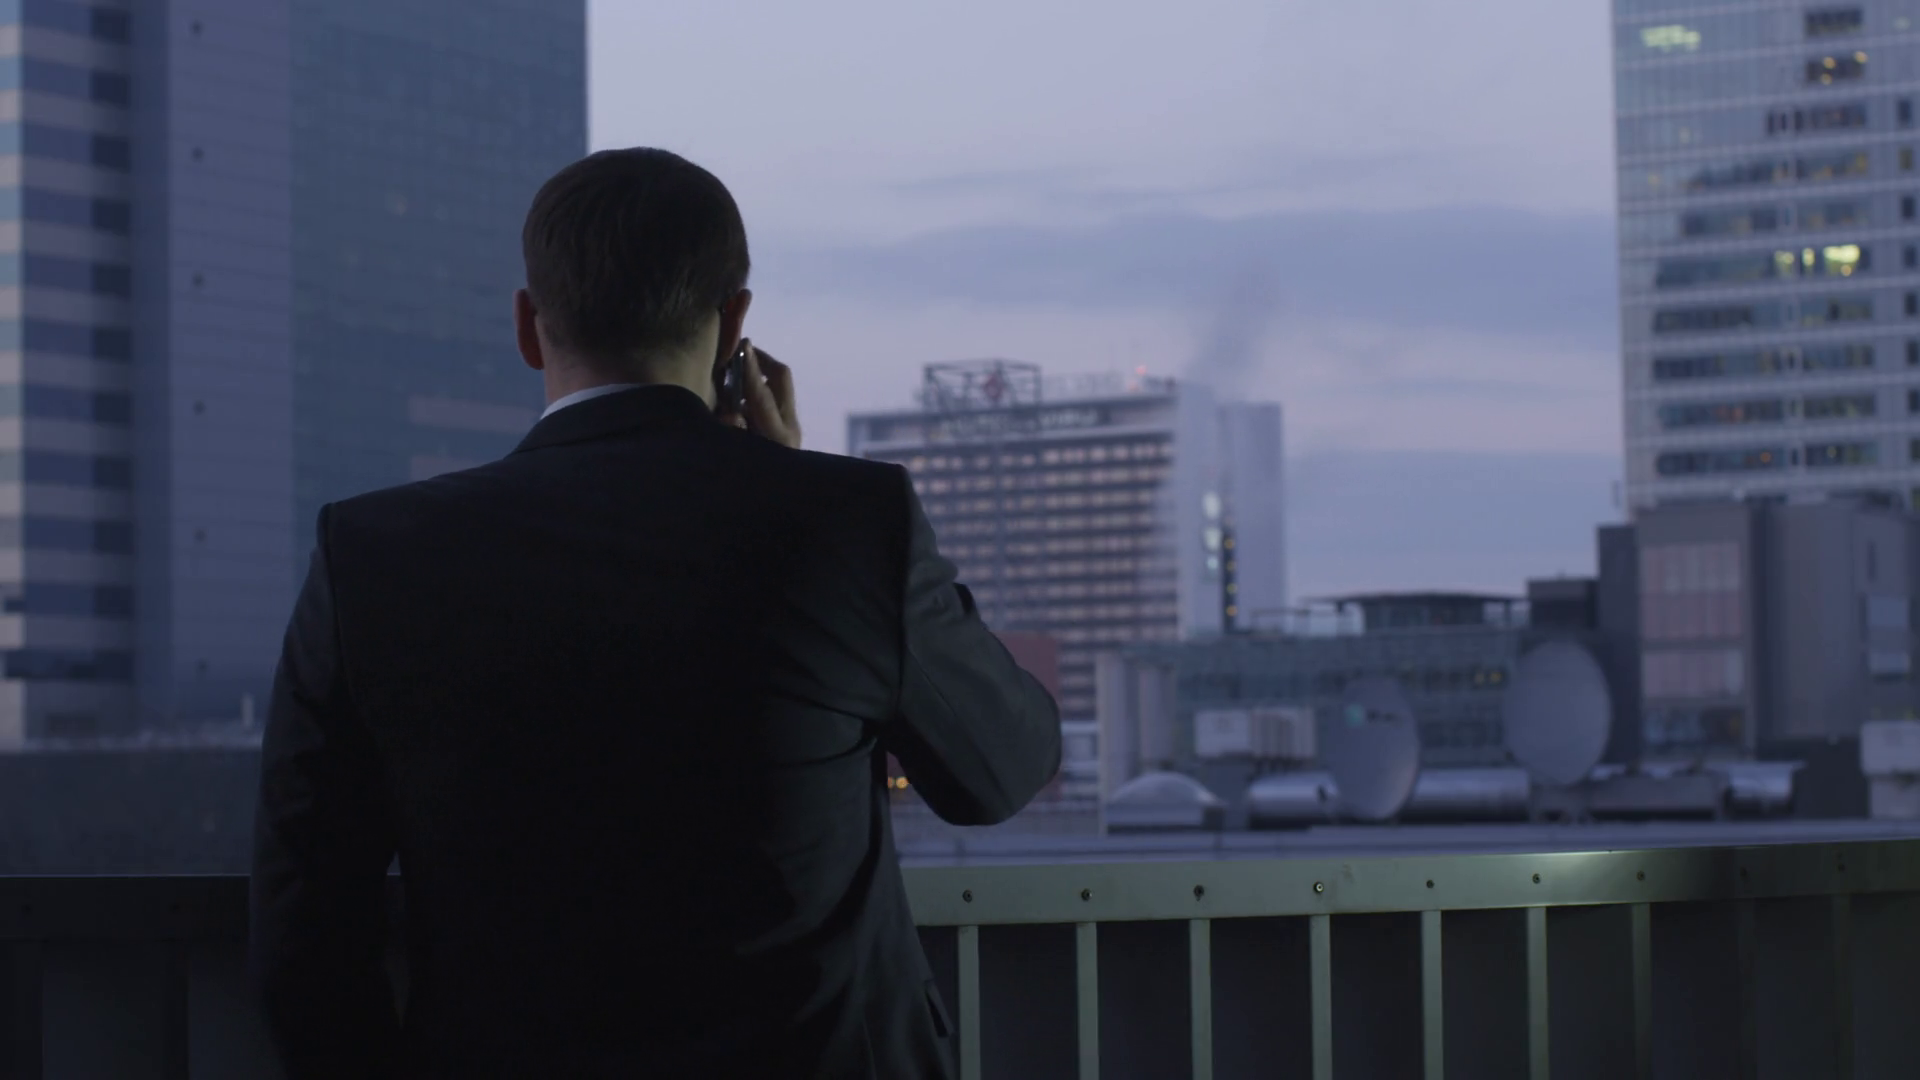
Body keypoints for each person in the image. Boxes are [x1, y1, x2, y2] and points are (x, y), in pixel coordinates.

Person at [248, 147, 1062, 1079]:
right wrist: (798, 487)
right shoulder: (841, 526)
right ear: (735, 325)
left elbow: (303, 925)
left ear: (527, 325)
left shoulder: (373, 554)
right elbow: (1000, 771)